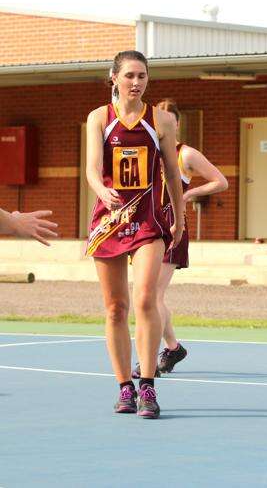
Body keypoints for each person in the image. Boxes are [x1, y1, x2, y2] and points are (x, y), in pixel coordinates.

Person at [85, 50, 185, 419]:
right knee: (115, 308)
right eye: (129, 75)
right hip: (109, 220)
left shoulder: (161, 120)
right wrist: (101, 190)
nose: (136, 82)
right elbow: (92, 170)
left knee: (145, 298)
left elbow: (172, 172)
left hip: (147, 221)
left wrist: (180, 217)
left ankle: (147, 386)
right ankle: (124, 386)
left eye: (142, 76)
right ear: (113, 77)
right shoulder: (99, 118)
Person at [132, 98, 228, 378]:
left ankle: (152, 358)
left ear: (176, 124)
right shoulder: (148, 151)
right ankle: (172, 348)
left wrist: (188, 194)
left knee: (152, 296)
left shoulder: (185, 154)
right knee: (149, 296)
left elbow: (220, 181)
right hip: (147, 229)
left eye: (169, 120)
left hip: (172, 228)